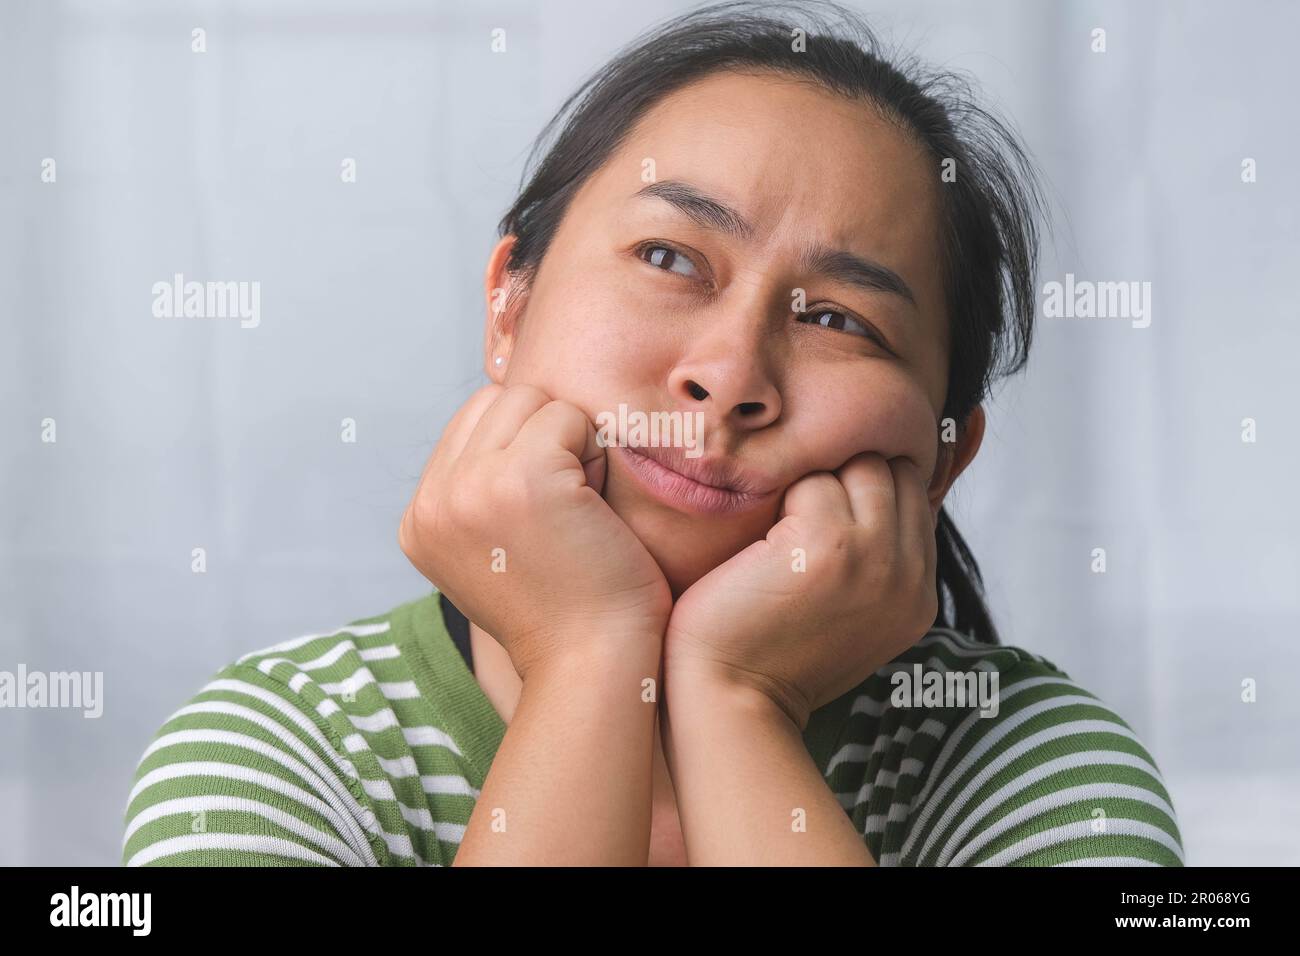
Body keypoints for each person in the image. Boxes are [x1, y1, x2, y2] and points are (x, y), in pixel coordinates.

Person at [121, 0, 1184, 867]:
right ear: (509, 304)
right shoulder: (280, 749)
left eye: (837, 319)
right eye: (671, 258)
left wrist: (736, 698)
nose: (726, 376)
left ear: (944, 454)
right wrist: (588, 656)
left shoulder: (1038, 769)